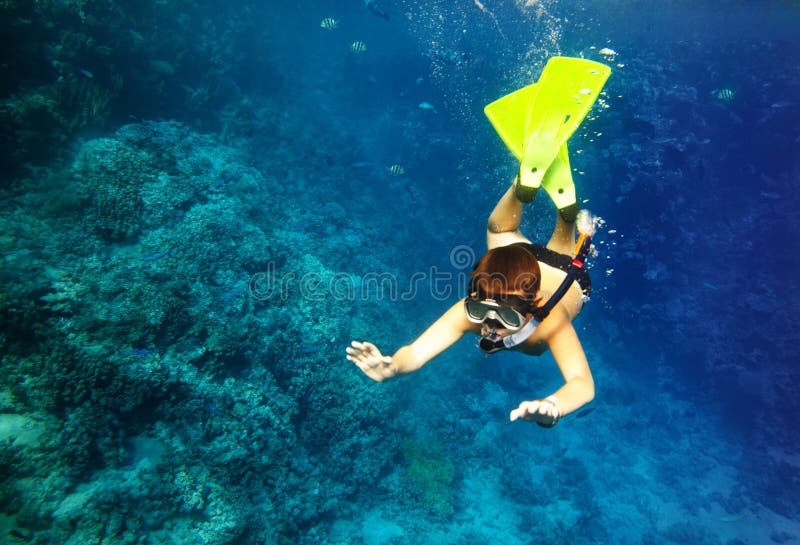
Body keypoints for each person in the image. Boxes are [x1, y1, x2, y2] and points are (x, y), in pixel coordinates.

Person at [346, 178, 596, 428]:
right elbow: (415, 352)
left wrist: (554, 405)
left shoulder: (551, 320)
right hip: (519, 262)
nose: (490, 325)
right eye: (480, 310)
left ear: (533, 309)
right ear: (475, 298)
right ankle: (525, 186)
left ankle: (549, 204)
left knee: (519, 232)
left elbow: (583, 384)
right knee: (500, 231)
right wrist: (394, 367)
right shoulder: (468, 312)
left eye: (508, 316)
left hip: (563, 274)